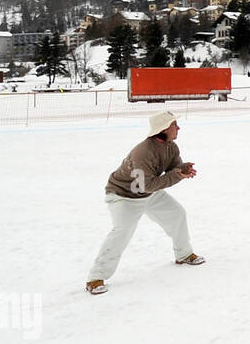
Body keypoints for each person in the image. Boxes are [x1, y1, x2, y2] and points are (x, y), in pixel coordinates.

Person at [85, 111, 202, 295]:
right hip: (124, 195)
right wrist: (176, 175)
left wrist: (183, 169)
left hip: (148, 193)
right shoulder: (143, 152)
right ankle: (95, 278)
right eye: (174, 125)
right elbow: (147, 184)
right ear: (164, 129)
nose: (178, 128)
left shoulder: (171, 147)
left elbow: (172, 170)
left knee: (177, 214)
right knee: (122, 231)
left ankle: (184, 254)